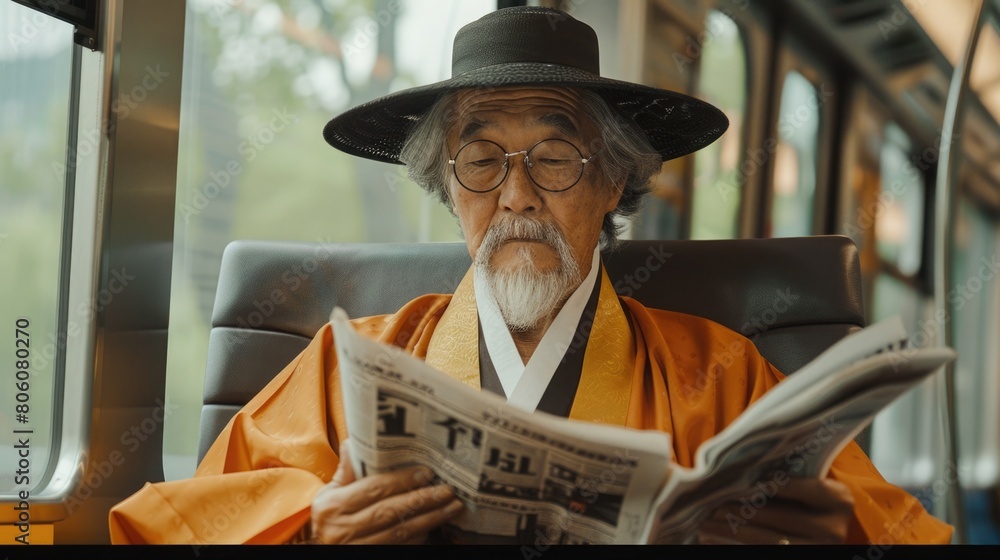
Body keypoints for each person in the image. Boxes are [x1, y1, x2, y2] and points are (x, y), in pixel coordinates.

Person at [109, 6, 953, 545]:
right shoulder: (346, 367)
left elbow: (898, 534)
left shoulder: (718, 375)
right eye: (479, 160)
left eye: (554, 157)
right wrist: (311, 534)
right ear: (448, 187)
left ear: (613, 180)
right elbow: (174, 527)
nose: (516, 194)